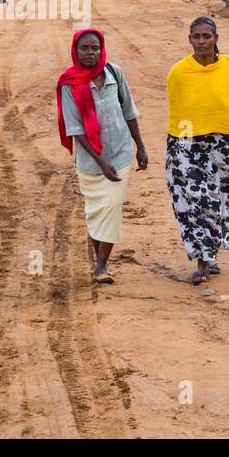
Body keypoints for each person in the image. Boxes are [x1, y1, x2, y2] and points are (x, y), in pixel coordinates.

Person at [57, 28, 148, 284]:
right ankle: (100, 262)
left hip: (120, 154)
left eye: (95, 48)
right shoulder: (69, 84)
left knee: (112, 207)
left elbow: (129, 111)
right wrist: (100, 162)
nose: (90, 53)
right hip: (91, 162)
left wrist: (140, 146)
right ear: (75, 51)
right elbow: (75, 129)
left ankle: (101, 266)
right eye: (84, 48)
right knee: (96, 212)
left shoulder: (114, 73)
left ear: (101, 49)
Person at [165, 16, 229, 285]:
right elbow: (178, 106)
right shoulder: (179, 71)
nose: (202, 42)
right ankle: (202, 262)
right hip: (187, 145)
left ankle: (210, 253)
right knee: (195, 200)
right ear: (189, 40)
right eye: (196, 37)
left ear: (216, 38)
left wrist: (220, 127)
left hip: (223, 142)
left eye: (207, 36)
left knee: (223, 198)